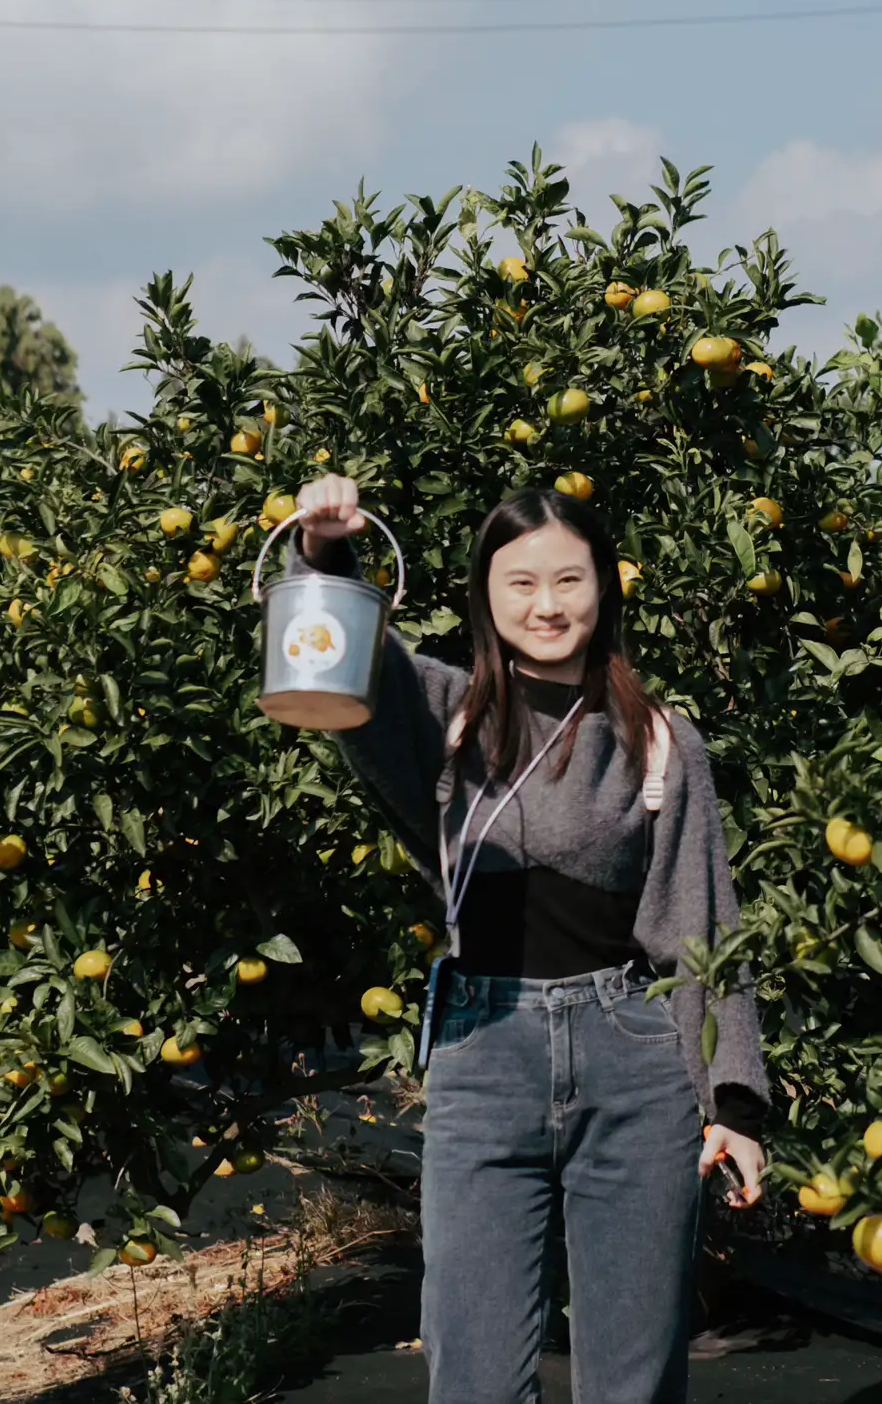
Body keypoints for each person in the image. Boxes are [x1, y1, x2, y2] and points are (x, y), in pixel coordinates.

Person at [287, 470, 770, 1404]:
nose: (546, 605)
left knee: (632, 1380)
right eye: (521, 582)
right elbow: (344, 664)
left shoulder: (659, 741)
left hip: (632, 1057)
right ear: (486, 596)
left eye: (568, 580)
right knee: (472, 1373)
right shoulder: (447, 714)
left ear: (604, 589)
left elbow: (702, 926)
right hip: (486, 1050)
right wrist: (325, 548)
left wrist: (735, 1107)